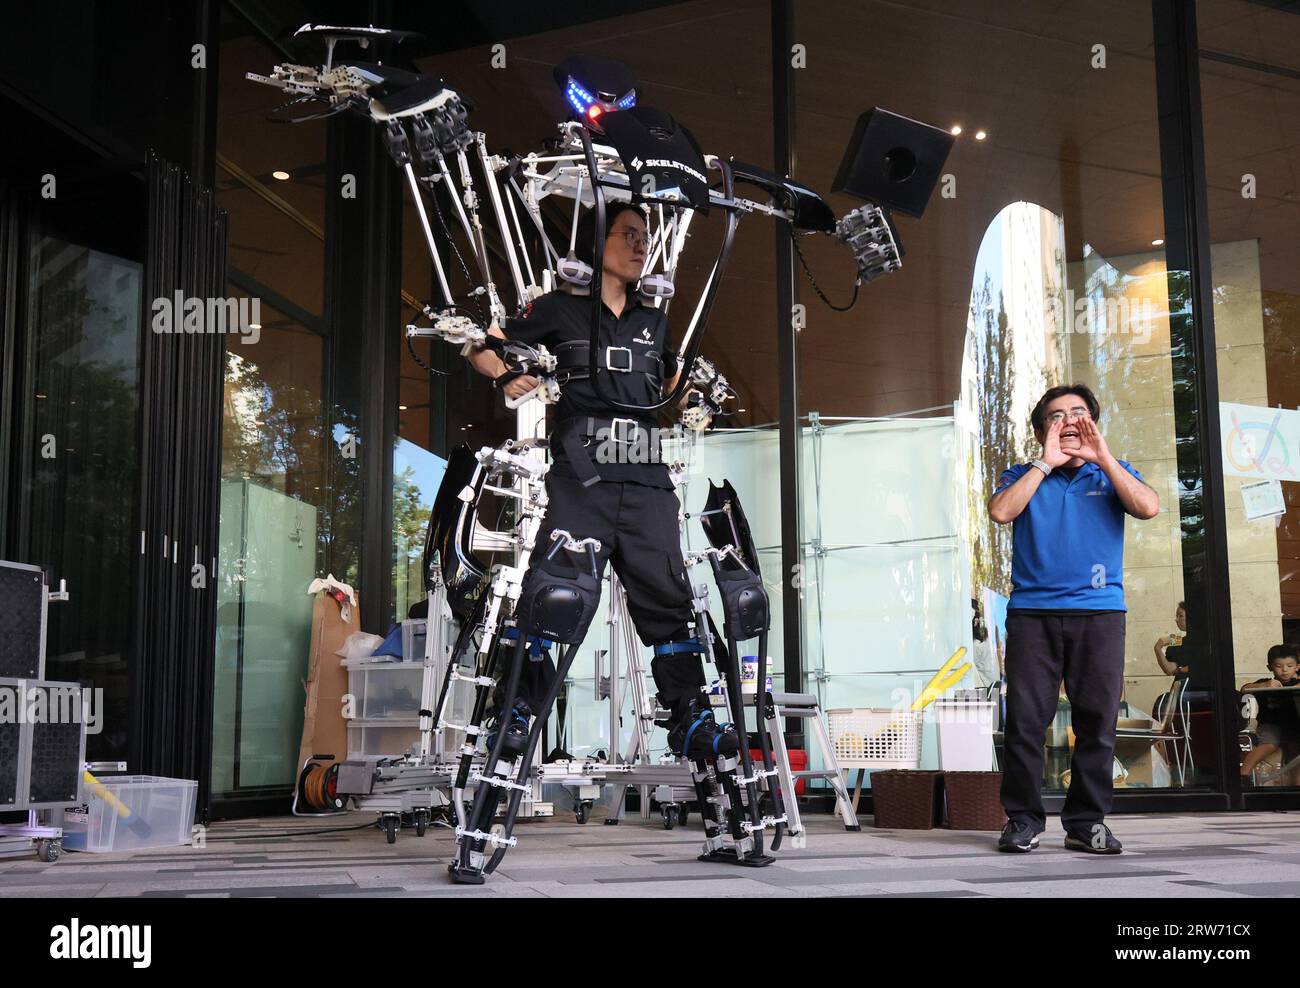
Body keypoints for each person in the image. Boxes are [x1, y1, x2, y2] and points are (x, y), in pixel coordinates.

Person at [465, 201, 733, 758]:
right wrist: (509, 373)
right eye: (629, 235)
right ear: (598, 243)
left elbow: (676, 384)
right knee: (557, 595)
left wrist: (694, 403)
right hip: (582, 473)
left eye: (646, 239)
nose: (640, 247)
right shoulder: (558, 309)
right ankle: (514, 712)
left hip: (646, 474)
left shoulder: (654, 320)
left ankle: (689, 718)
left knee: (668, 597)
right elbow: (482, 345)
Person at [988, 384, 1159, 855]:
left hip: (1100, 615)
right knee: (1025, 722)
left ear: (1093, 423)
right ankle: (1023, 819)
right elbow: (1001, 512)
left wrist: (1102, 455)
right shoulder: (1022, 475)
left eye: (1078, 413)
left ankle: (1086, 823)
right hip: (1032, 616)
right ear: (1043, 429)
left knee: (1097, 724)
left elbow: (1148, 506)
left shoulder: (1112, 474)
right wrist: (1045, 463)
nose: (1068, 421)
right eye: (1057, 415)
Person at [1240, 644, 1300, 783]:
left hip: (1294, 726)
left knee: (1295, 749)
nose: (1284, 670)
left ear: (1297, 667)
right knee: (1269, 743)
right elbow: (1244, 689)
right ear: (1270, 667)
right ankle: (1243, 775)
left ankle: (1295, 785)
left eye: (1289, 666)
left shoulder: (1297, 682)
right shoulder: (1266, 683)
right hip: (1270, 725)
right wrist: (1264, 686)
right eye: (1279, 666)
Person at [1154, 601, 1188, 678]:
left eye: (1180, 616)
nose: (1176, 619)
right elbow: (1169, 670)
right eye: (1177, 616)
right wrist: (1158, 648)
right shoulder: (1180, 640)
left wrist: (1180, 670)